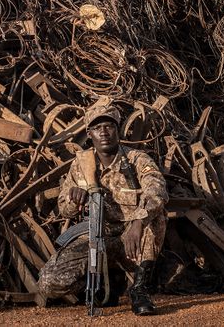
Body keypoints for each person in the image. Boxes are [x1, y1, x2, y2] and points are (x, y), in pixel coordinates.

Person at [37, 101, 168, 315]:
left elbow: (157, 191)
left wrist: (138, 223)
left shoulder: (137, 159)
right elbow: (64, 209)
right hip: (96, 235)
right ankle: (103, 285)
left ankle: (139, 289)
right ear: (90, 134)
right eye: (98, 128)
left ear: (117, 130)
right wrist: (74, 199)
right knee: (49, 283)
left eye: (109, 126)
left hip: (131, 237)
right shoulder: (80, 165)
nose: (104, 132)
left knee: (156, 216)